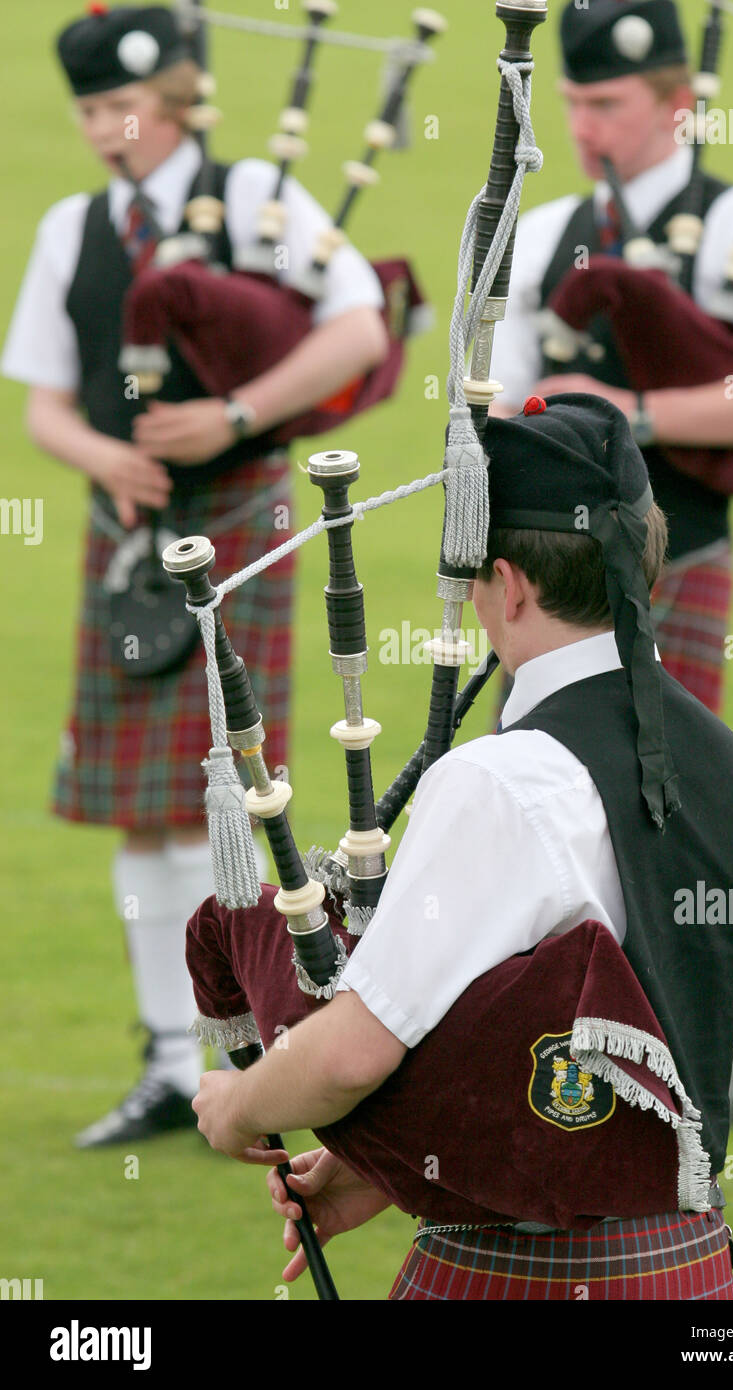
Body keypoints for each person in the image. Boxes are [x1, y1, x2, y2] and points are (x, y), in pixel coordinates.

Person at [192, 394, 733, 1301]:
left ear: (511, 584)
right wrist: (398, 1166)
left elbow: (351, 1054)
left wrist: (236, 1105)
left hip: (523, 1272)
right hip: (685, 1272)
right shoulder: (727, 761)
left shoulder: (504, 779)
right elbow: (556, 1041)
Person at [1, 4, 388, 1147]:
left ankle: (242, 1050)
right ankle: (170, 1063)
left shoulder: (261, 204)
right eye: (83, 111)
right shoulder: (76, 227)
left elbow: (359, 325)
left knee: (222, 794)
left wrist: (234, 410)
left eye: (117, 109)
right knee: (139, 811)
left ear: (175, 103)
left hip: (243, 517)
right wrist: (106, 453)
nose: (100, 131)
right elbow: (44, 404)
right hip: (130, 541)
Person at [489, 0, 733, 718]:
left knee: (667, 799)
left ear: (677, 106)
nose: (584, 128)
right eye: (571, 104)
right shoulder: (542, 233)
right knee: (534, 779)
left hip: (681, 555)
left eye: (606, 104)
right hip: (548, 573)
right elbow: (497, 399)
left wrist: (636, 416)